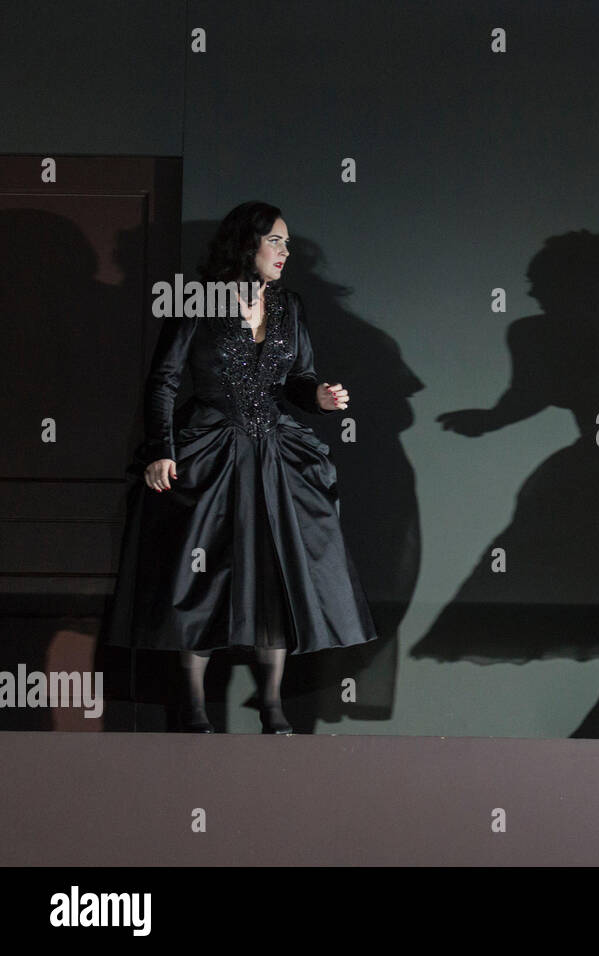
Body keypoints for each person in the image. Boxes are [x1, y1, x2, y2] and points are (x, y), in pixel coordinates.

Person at [104, 201, 378, 733]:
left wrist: (317, 396)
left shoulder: (289, 306)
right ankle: (193, 706)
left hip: (274, 452)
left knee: (274, 574)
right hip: (210, 447)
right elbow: (163, 381)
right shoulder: (197, 300)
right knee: (198, 575)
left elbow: (298, 377)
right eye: (276, 240)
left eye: (288, 244)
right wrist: (162, 448)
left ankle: (271, 705)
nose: (285, 252)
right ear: (246, 242)